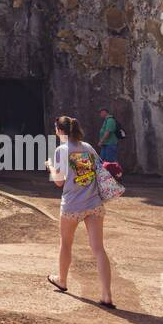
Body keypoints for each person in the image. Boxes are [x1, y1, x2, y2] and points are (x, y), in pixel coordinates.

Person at [46, 115, 115, 308]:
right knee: (98, 249)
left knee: (66, 244)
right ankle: (107, 294)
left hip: (72, 205)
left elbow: (59, 181)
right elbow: (97, 170)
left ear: (60, 131)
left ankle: (62, 280)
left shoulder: (61, 150)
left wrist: (50, 166)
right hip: (94, 204)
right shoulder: (88, 147)